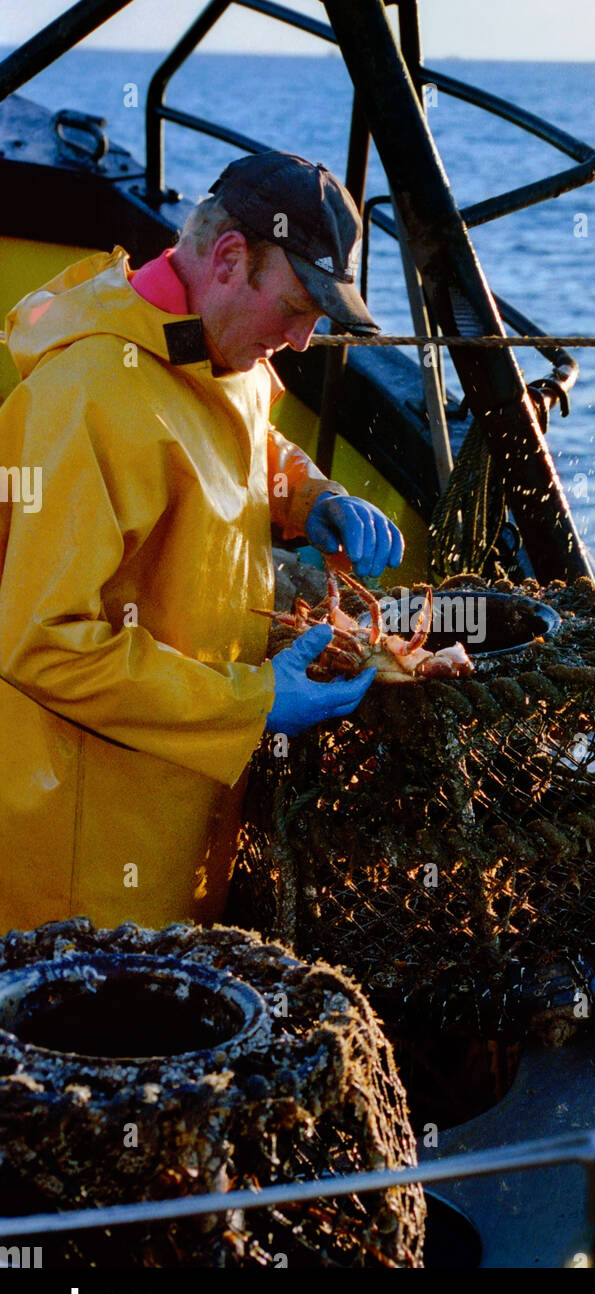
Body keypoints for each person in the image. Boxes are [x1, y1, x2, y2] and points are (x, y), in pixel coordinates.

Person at [0, 150, 403, 934]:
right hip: (87, 862)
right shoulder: (88, 394)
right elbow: (42, 644)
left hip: (184, 810)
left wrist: (308, 494)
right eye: (295, 306)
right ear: (227, 260)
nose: (302, 337)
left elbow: (233, 436)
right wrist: (253, 701)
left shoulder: (210, 345)